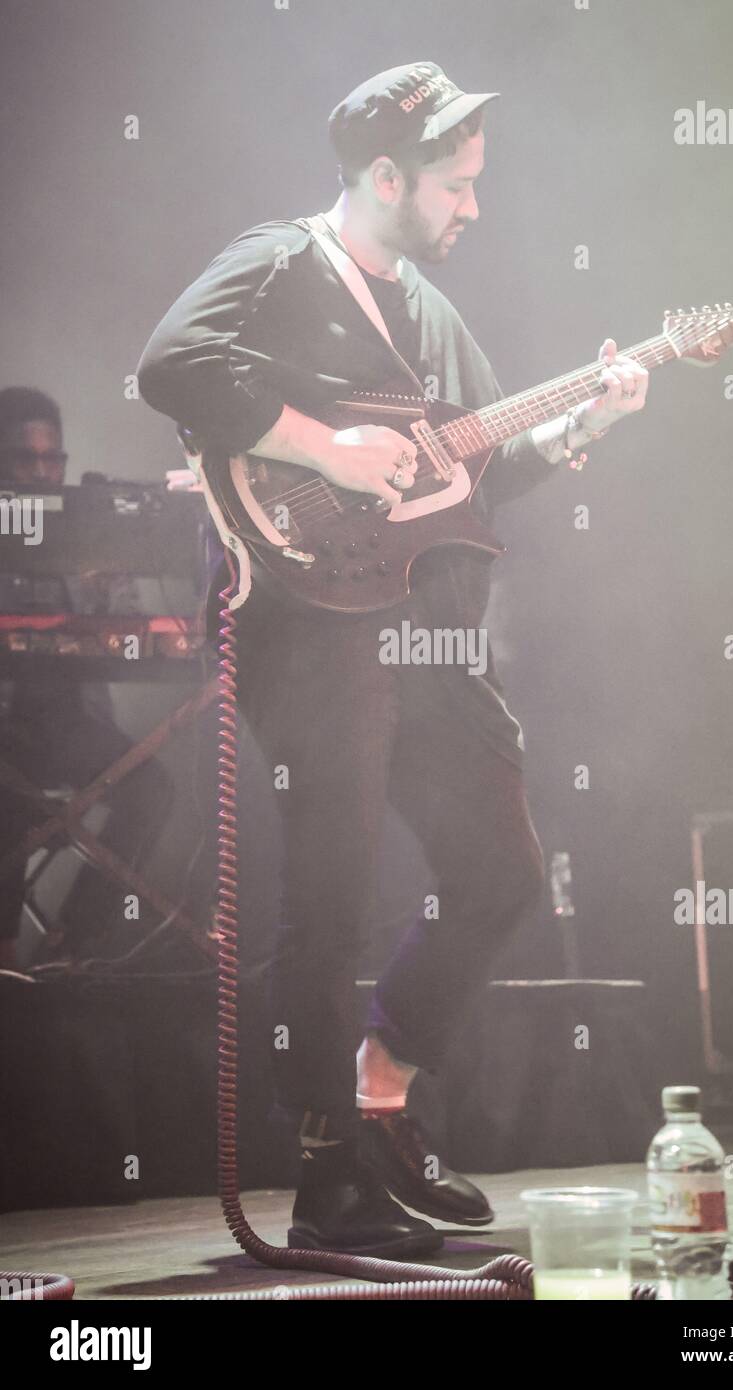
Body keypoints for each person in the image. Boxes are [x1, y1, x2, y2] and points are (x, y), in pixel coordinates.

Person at [137, 61, 649, 1259]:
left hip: (422, 624)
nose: (473, 206)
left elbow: (470, 476)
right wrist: (321, 445)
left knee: (502, 869)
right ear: (382, 176)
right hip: (307, 622)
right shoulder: (280, 262)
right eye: (455, 185)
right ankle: (329, 1175)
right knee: (334, 886)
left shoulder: (429, 309)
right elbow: (171, 368)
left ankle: (376, 1091)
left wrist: (584, 424)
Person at [0, 387, 173, 972]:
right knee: (6, 800)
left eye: (55, 461)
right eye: (28, 460)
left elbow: (127, 633)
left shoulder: (83, 525)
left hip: (71, 724)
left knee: (153, 787)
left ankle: (72, 943)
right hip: (7, 726)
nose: (45, 474)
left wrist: (106, 593)